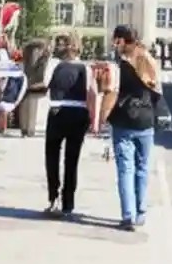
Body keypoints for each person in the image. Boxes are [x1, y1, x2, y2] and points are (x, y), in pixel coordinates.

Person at [101, 27, 160, 231]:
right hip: (146, 119)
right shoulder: (148, 61)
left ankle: (128, 216)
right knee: (142, 168)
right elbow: (157, 88)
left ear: (120, 41)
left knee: (125, 168)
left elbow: (111, 92)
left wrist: (102, 118)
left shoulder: (117, 65)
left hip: (123, 119)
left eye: (115, 40)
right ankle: (141, 213)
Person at [44, 34, 98, 218]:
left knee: (52, 156)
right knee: (72, 160)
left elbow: (44, 84)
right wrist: (94, 119)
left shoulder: (54, 65)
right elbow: (92, 93)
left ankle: (53, 197)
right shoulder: (86, 68)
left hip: (57, 111)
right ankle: (68, 203)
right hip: (78, 113)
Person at [17, 39, 52, 137]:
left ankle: (29, 129)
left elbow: (46, 80)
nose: (35, 53)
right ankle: (26, 129)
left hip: (37, 89)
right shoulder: (24, 63)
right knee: (28, 100)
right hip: (29, 89)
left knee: (30, 100)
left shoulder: (45, 62)